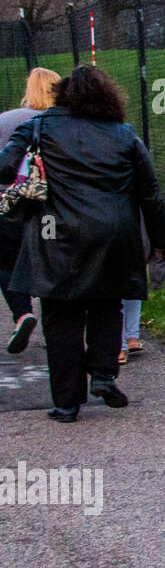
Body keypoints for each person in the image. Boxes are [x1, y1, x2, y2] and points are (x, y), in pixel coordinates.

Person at [0, 66, 165, 422]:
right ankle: (103, 375)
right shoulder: (125, 135)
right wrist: (161, 242)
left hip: (56, 235)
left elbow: (4, 168)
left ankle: (66, 404)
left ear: (62, 96)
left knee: (60, 315)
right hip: (114, 235)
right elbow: (150, 194)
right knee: (107, 305)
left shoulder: (39, 126)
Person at [0, 67, 59, 354]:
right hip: (51, 208)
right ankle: (55, 329)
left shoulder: (5, 121)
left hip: (10, 206)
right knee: (50, 264)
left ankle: (22, 312)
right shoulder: (61, 123)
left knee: (5, 262)